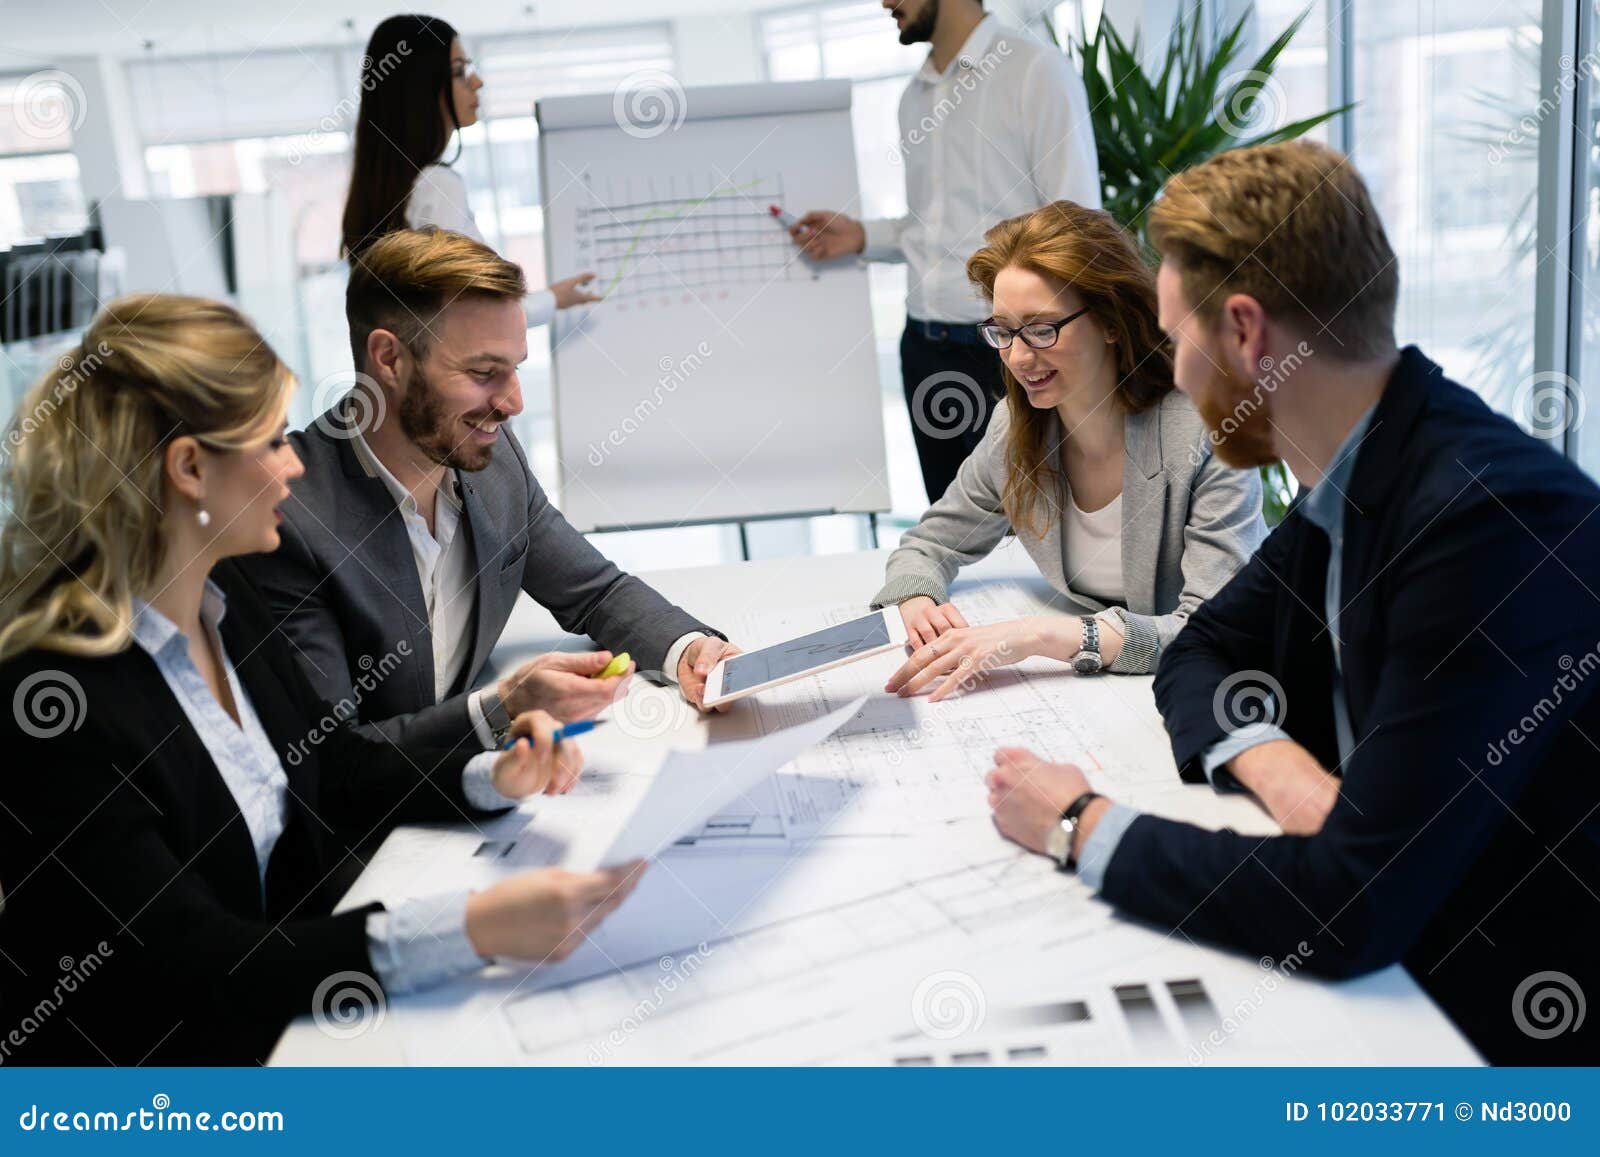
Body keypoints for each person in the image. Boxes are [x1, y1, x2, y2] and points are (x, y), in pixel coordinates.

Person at [982, 141, 1600, 1064]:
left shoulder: (1487, 519)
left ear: (1243, 332)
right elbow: (1201, 649)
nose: (1174, 371)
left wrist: (1081, 823)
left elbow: (1351, 905)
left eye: (1174, 336)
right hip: (1409, 971)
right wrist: (1277, 765)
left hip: (1501, 1025)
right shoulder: (1357, 464)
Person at [0, 295, 644, 1064]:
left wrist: (492, 777)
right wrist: (473, 929)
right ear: (190, 468)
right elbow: (196, 960)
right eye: (271, 441)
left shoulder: (224, 607)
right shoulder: (55, 702)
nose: (296, 464)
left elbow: (335, 770)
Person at [239, 227, 738, 767]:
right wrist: (501, 708)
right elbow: (335, 761)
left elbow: (594, 591)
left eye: (516, 367)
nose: (513, 402)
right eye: (483, 373)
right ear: (388, 359)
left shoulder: (491, 459)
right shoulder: (282, 517)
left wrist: (688, 651)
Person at [873, 201, 1263, 698]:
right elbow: (929, 545)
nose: (1017, 356)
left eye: (1041, 328)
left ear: (1111, 321)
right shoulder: (1014, 430)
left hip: (1205, 694)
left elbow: (1216, 632)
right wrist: (918, 603)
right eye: (1003, 331)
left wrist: (1039, 636)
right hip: (1096, 699)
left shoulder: (1209, 432)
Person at [789, 0, 1102, 502]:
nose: (885, 3)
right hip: (923, 349)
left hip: (1009, 355)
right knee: (951, 527)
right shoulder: (914, 96)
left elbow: (1078, 227)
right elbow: (935, 227)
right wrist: (863, 236)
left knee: (1033, 527)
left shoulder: (1035, 71)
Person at [340, 13, 600, 324]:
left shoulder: (386, 191)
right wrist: (554, 299)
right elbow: (473, 312)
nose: (477, 81)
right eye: (459, 72)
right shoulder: (437, 184)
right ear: (420, 89)